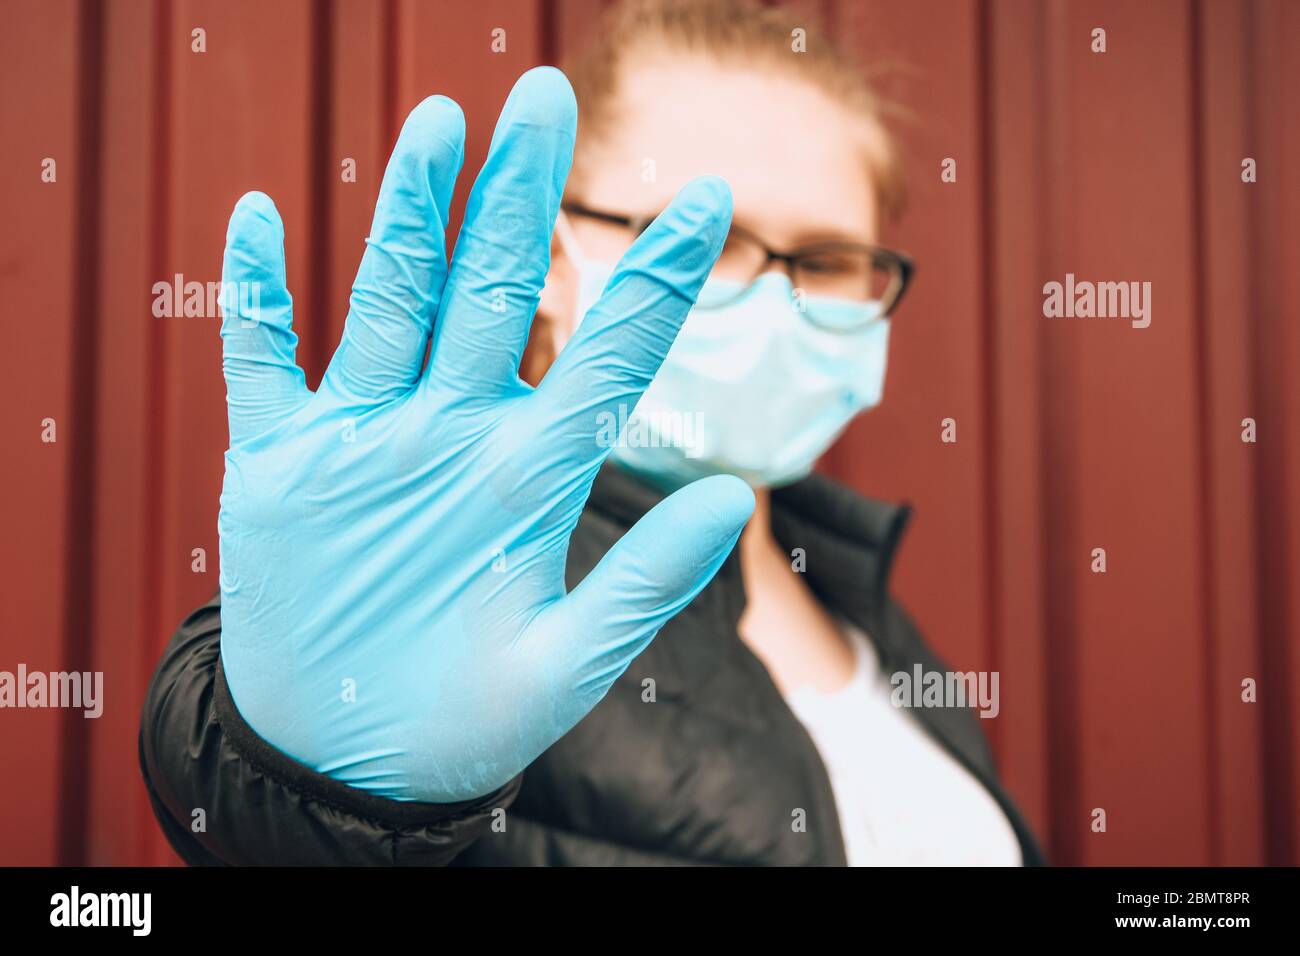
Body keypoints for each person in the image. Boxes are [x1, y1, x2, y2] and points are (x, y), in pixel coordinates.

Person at [140, 0, 1043, 866]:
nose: (774, 297)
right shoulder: (452, 575)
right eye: (703, 238)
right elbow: (237, 817)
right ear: (555, 252)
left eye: (829, 260)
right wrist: (309, 788)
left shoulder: (871, 615)